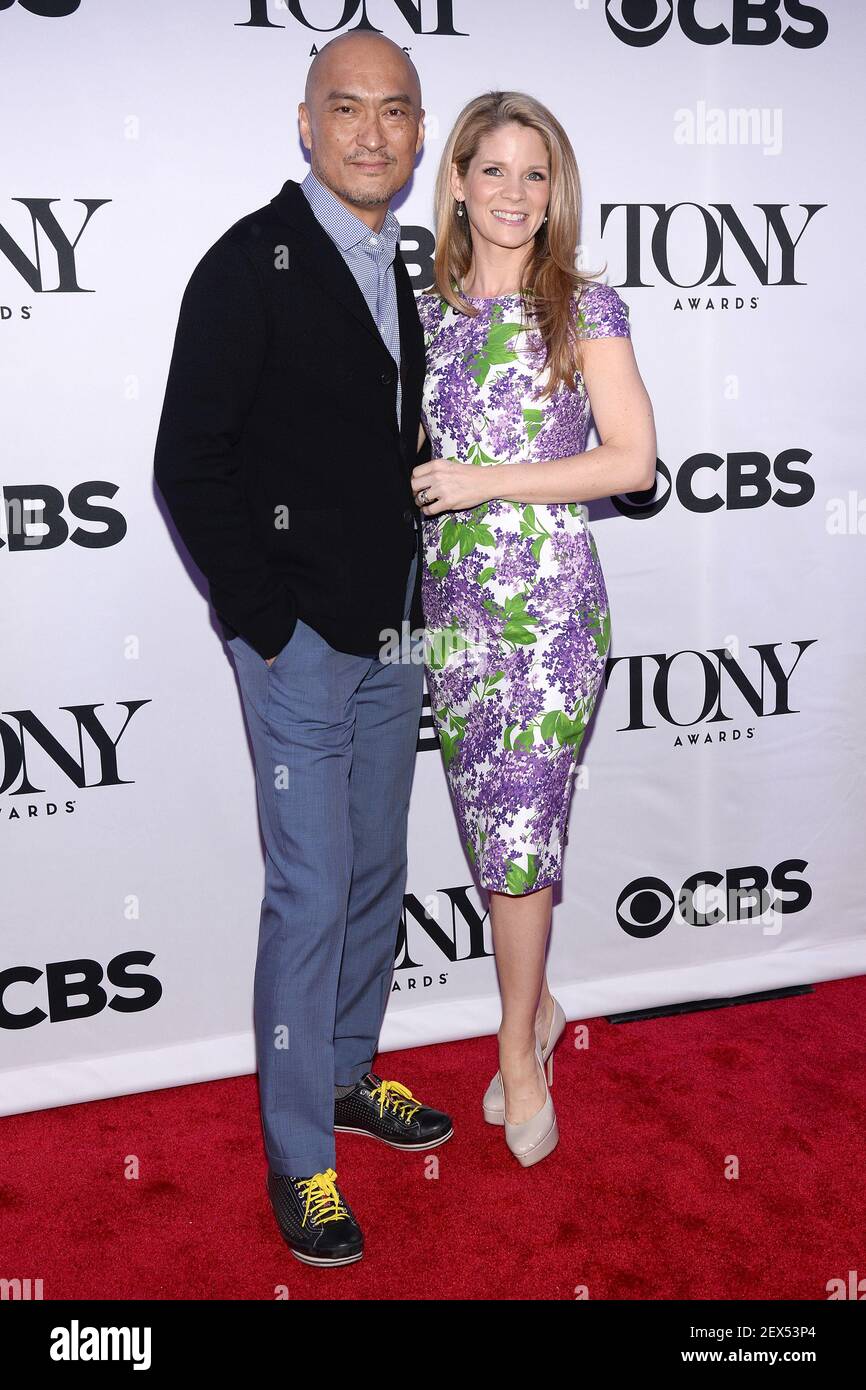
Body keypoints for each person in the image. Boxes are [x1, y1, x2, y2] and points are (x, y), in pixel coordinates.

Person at [153, 32, 452, 1269]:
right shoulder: (249, 263)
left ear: (416, 127)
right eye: (347, 108)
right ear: (304, 121)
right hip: (299, 644)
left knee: (376, 874)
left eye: (394, 111)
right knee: (312, 890)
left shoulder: (410, 266)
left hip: (393, 625)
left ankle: (343, 1073)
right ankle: (299, 1158)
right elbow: (187, 464)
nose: (371, 133)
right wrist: (266, 624)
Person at [412, 92, 656, 1168]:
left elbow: (630, 462)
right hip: (452, 609)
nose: (514, 194)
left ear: (555, 191)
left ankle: (516, 1044)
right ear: (457, 182)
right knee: (497, 836)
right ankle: (540, 1004)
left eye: (534, 173)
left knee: (518, 840)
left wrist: (487, 481)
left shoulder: (582, 310)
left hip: (552, 606)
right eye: (494, 171)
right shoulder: (418, 311)